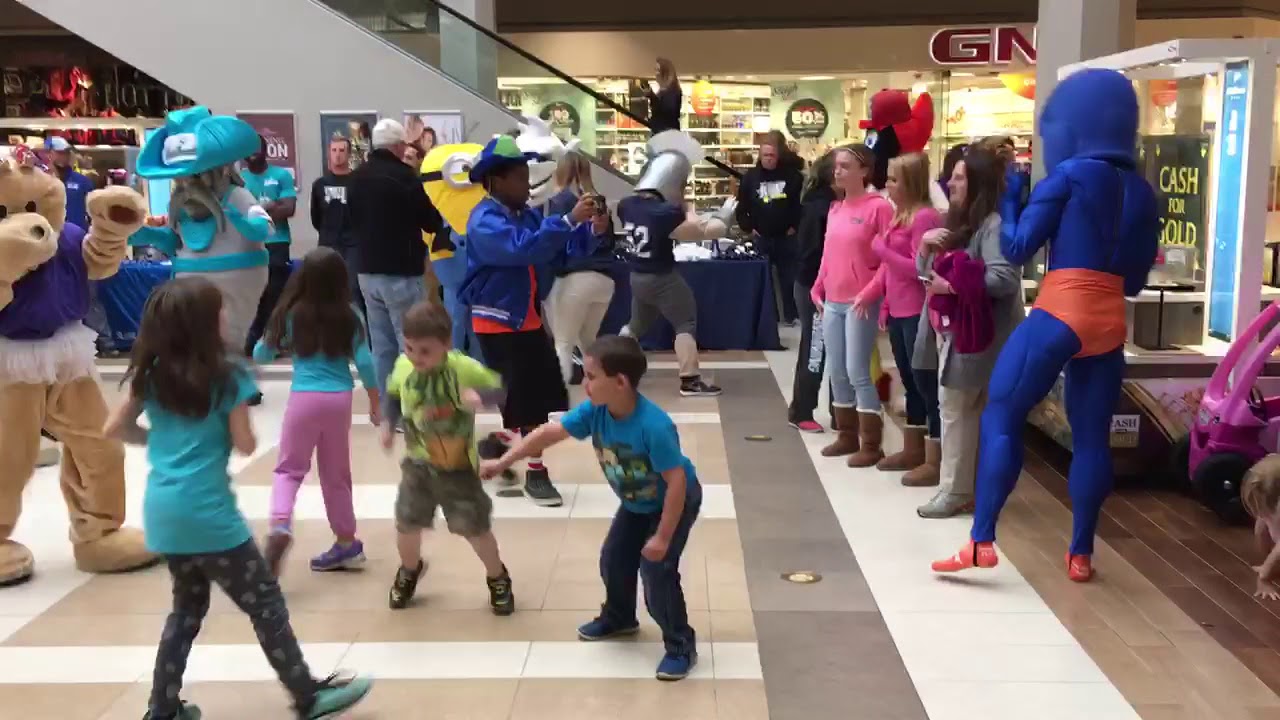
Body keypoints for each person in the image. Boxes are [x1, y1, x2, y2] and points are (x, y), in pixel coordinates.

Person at [104, 276, 372, 720]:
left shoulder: (150, 375)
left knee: (185, 611)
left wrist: (160, 441)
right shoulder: (227, 377)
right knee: (265, 603)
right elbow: (245, 443)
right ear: (205, 325)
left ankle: (162, 709)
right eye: (219, 310)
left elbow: (115, 429)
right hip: (211, 517)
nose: (226, 314)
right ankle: (307, 696)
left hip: (164, 513)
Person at [932, 71, 1159, 580]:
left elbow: (1015, 249)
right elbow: (1137, 280)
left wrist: (1013, 199)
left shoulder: (1070, 177)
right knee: (1093, 439)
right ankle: (1081, 554)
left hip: (1060, 309)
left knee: (1002, 414)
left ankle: (981, 541)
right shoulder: (1142, 192)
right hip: (1109, 319)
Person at [480, 335, 702, 681]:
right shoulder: (596, 411)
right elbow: (547, 434)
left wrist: (661, 537)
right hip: (636, 502)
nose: (584, 384)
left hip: (675, 501)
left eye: (591, 376)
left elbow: (677, 483)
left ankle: (680, 645)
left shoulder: (654, 426)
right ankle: (620, 618)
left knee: (657, 572)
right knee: (614, 559)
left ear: (620, 382)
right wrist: (503, 462)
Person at [460, 135, 606, 508]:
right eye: (521, 178)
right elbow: (522, 249)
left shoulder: (526, 215)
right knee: (528, 402)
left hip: (527, 318)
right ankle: (536, 474)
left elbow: (557, 252)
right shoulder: (483, 220)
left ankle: (502, 444)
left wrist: (592, 229)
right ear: (496, 180)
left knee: (548, 394)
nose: (528, 185)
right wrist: (567, 220)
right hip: (497, 322)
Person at [378, 301, 514, 613]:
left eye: (425, 351)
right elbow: (394, 395)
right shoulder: (403, 366)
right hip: (417, 465)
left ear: (446, 344)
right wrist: (388, 423)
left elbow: (502, 389)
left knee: (475, 527)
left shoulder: (462, 367)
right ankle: (409, 569)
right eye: (410, 348)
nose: (415, 357)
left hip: (458, 467)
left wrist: (480, 397)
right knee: (407, 524)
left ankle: (497, 576)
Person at [253, 247, 381, 576]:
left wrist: (276, 346)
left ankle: (280, 524)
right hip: (339, 398)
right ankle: (346, 542)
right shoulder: (350, 313)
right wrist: (376, 403)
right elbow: (365, 361)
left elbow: (260, 353)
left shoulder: (291, 312)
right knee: (336, 474)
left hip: (304, 398)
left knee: (289, 470)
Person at [914, 147, 1024, 520]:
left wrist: (955, 286)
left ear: (976, 182)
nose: (951, 183)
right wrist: (925, 248)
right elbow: (929, 275)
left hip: (979, 338)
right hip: (958, 334)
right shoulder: (962, 223)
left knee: (957, 410)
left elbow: (1004, 278)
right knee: (959, 410)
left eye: (960, 178)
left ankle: (956, 491)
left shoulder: (991, 225)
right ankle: (964, 487)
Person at [853, 153, 943, 481]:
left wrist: (883, 251)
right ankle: (914, 447)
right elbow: (894, 271)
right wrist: (887, 305)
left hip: (918, 311)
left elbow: (920, 269)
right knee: (908, 379)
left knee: (924, 382)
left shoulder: (924, 218)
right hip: (900, 310)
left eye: (894, 179)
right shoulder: (899, 215)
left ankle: (934, 456)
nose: (887, 184)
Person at [617, 131, 726, 397]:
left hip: (637, 275)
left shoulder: (626, 204)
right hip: (662, 276)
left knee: (635, 326)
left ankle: (614, 365)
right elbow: (706, 228)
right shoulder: (666, 213)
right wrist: (712, 214)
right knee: (685, 322)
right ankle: (690, 380)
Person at [348, 118, 444, 400]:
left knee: (381, 346)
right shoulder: (405, 178)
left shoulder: (355, 178)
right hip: (402, 271)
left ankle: (391, 411)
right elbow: (431, 221)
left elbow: (351, 221)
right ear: (398, 145)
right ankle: (415, 405)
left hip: (366, 271)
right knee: (412, 343)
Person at [811, 144, 894, 467]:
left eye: (845, 166)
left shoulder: (879, 208)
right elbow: (829, 254)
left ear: (864, 170)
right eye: (836, 166)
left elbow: (888, 257)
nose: (838, 171)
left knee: (858, 369)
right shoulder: (835, 209)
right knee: (837, 370)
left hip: (861, 301)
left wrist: (871, 291)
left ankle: (871, 443)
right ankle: (846, 435)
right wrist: (818, 285)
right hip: (833, 299)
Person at [546, 152, 617, 384]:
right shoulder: (599, 202)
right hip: (604, 281)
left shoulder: (558, 201)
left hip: (573, 278)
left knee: (563, 343)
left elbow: (553, 241)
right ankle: (604, 388)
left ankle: (557, 400)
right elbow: (609, 241)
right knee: (589, 341)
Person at [788, 150, 837, 433]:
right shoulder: (820, 207)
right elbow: (810, 252)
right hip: (816, 287)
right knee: (815, 349)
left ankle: (838, 408)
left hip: (828, 286)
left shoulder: (831, 204)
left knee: (835, 351)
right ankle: (802, 409)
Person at [735, 130, 804, 325]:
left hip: (786, 237)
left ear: (778, 155)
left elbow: (800, 206)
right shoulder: (750, 177)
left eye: (772, 155)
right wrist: (749, 228)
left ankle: (791, 316)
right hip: (761, 236)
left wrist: (794, 226)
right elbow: (742, 208)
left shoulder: (792, 177)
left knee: (788, 279)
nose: (768, 159)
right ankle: (766, 318)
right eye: (765, 155)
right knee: (762, 280)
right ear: (760, 155)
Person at [242, 134, 299, 356]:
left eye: (257, 149)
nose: (253, 153)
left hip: (277, 243)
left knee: (275, 294)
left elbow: (289, 209)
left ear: (266, 151)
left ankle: (269, 341)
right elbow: (236, 213)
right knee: (253, 293)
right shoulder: (239, 179)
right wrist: (271, 206)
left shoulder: (281, 175)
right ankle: (252, 339)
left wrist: (255, 211)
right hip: (249, 243)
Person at [310, 136, 364, 319]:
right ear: (328, 154)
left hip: (352, 244)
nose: (338, 155)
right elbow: (315, 217)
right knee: (325, 290)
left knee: (353, 290)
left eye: (342, 151)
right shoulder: (320, 185)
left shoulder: (358, 182)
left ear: (348, 154)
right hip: (327, 242)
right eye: (334, 151)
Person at [645, 58, 682, 134]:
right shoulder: (663, 91)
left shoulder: (672, 91)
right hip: (661, 132)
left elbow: (668, 111)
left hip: (666, 134)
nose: (655, 73)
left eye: (658, 70)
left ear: (665, 72)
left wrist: (652, 96)